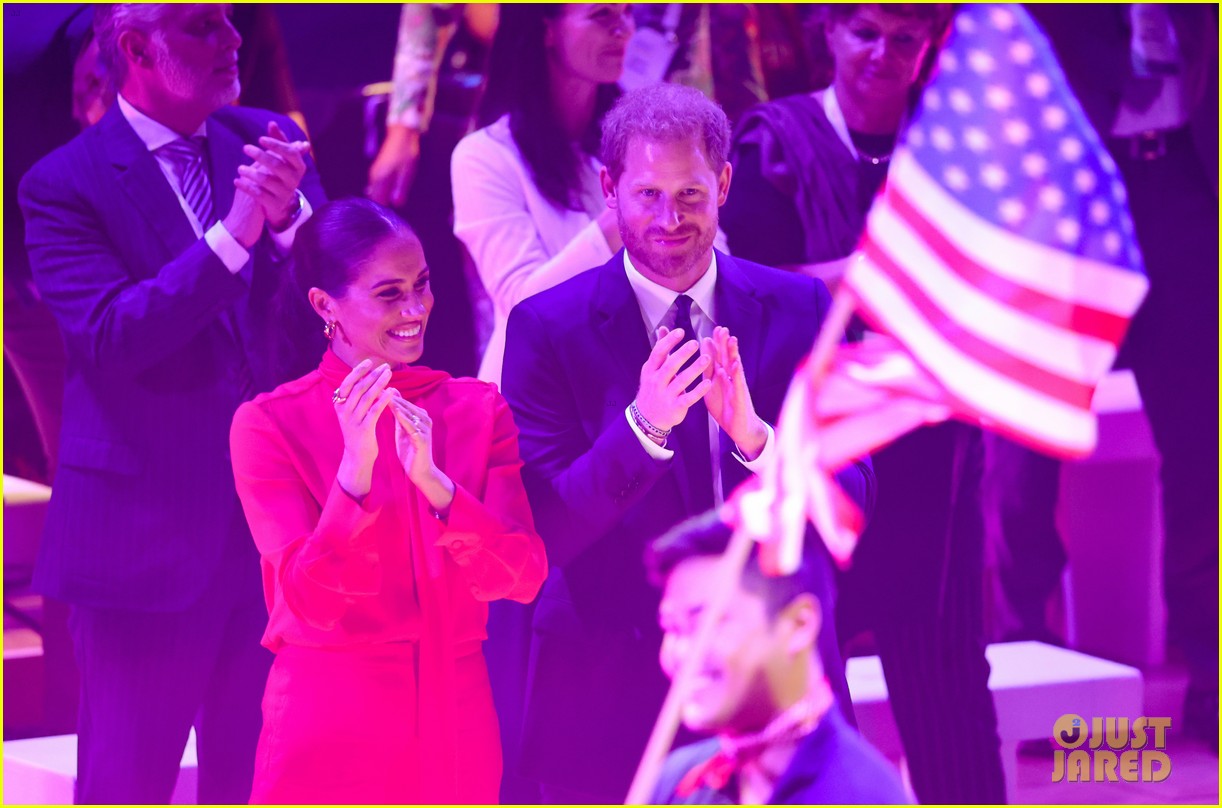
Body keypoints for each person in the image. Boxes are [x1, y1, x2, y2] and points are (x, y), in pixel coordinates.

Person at [501, 82, 875, 803]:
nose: (669, 219)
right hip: (610, 687)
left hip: (771, 672)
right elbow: (544, 529)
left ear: (725, 183)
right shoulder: (546, 327)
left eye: (691, 195)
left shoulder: (800, 309)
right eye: (646, 195)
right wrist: (643, 430)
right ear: (609, 189)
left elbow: (854, 496)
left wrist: (758, 440)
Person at [17, 4, 325, 802]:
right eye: (202, 29)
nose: (232, 40)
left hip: (274, 538)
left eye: (229, 21)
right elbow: (114, 337)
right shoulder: (62, 183)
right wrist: (235, 234)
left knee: (260, 783)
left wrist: (293, 225)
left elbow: (338, 307)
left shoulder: (267, 140)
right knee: (127, 786)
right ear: (135, 49)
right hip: (140, 540)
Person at [722, 6, 1008, 803]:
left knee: (948, 682)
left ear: (930, 47)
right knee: (811, 683)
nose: (883, 52)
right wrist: (879, 273)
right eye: (865, 32)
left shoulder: (960, 146)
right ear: (831, 35)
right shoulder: (771, 142)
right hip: (815, 451)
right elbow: (752, 296)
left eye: (905, 38)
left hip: (935, 452)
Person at [229, 198, 548, 803]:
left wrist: (439, 487)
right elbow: (309, 602)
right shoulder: (268, 425)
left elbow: (523, 577)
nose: (414, 309)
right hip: (331, 724)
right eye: (388, 293)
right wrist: (354, 475)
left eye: (422, 286)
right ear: (325, 305)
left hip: (458, 716)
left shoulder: (477, 409)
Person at [1028, 1, 1219, 748]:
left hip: (1185, 188)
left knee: (1205, 449)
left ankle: (1211, 682)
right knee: (1028, 441)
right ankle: (1022, 679)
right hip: (1069, 194)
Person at [646, 512, 909, 805]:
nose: (681, 653)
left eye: (704, 623)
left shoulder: (863, 796)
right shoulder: (674, 782)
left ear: (799, 625)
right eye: (671, 628)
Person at [451, 3, 631, 387]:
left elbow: (713, 256)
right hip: (533, 402)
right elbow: (523, 306)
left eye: (628, 12)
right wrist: (622, 218)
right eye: (603, 15)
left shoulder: (636, 141)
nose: (624, 30)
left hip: (638, 394)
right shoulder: (483, 156)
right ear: (546, 28)